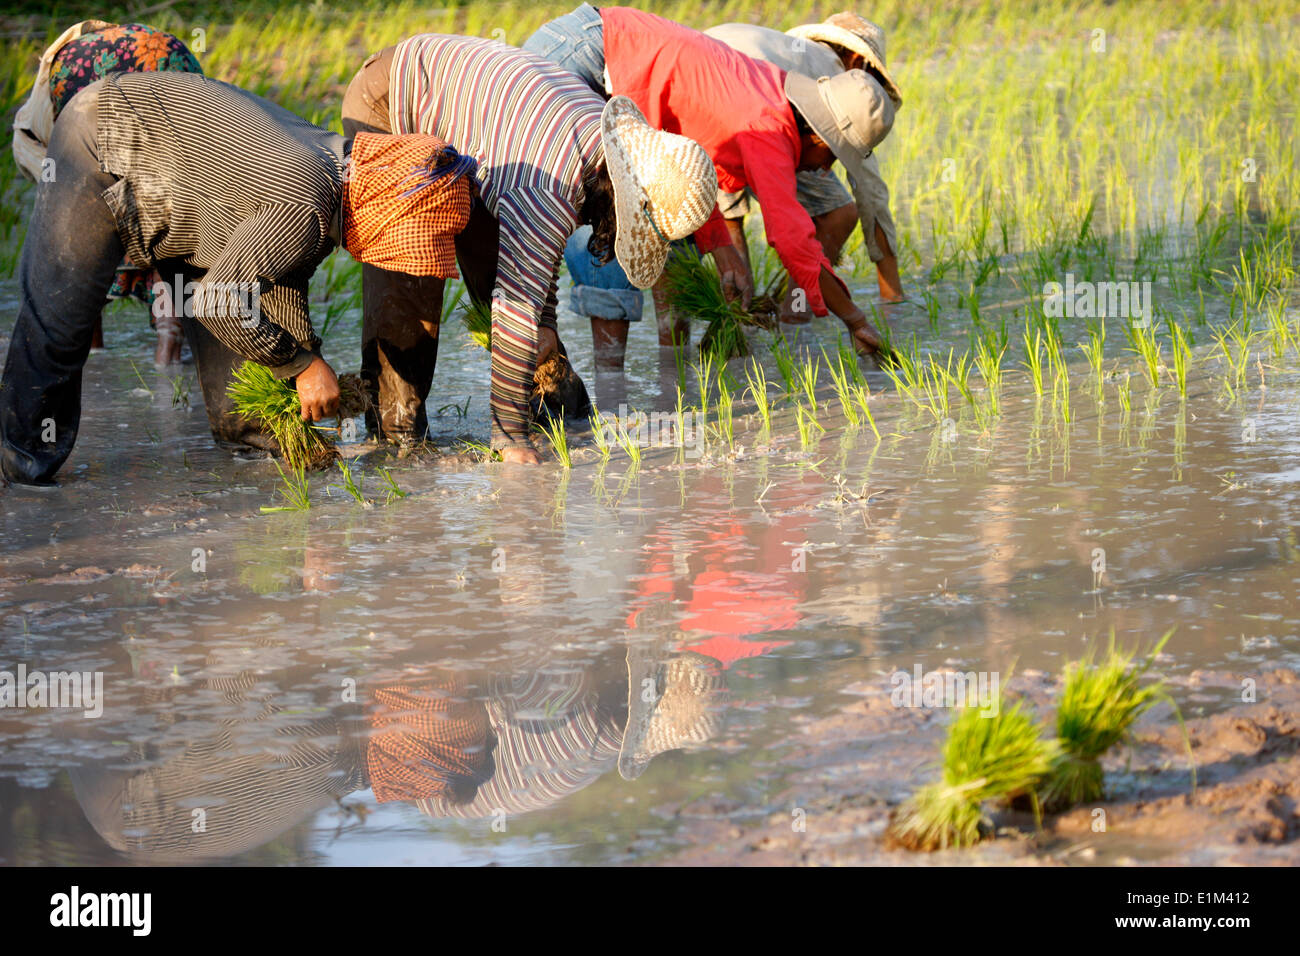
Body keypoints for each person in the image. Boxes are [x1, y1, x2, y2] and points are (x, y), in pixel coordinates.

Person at [0, 70, 474, 486]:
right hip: (105, 137)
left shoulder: (338, 171)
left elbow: (281, 285)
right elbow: (218, 302)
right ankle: (21, 472)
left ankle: (254, 451)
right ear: (384, 214)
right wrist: (302, 367)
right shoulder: (306, 203)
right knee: (59, 322)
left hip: (190, 201)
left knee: (240, 389)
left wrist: (305, 356)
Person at [341, 35, 718, 460]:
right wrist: (509, 438)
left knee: (516, 296)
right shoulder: (552, 185)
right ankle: (396, 440)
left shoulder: (601, 152)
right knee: (414, 273)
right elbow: (516, 305)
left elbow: (539, 254)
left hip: (476, 125)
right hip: (395, 100)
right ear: (616, 196)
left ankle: (560, 414)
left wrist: (548, 324)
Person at [523, 5, 895, 370]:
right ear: (818, 134)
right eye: (832, 156)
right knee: (603, 221)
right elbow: (794, 243)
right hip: (586, 60)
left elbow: (689, 159)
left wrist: (721, 248)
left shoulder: (769, 93)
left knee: (672, 227)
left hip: (590, 46)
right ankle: (602, 389)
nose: (824, 169)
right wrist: (856, 321)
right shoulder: (769, 127)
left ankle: (661, 379)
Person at [11, 20, 205, 366]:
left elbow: (59, 172)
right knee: (168, 216)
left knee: (82, 225)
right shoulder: (146, 39)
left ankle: (92, 351)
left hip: (85, 76)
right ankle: (168, 353)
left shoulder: (64, 64)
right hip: (171, 58)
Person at [706, 12, 905, 313]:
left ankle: (739, 320)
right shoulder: (838, 81)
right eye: (871, 76)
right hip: (755, 116)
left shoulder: (790, 48)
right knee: (839, 214)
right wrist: (893, 297)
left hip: (706, 93)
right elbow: (869, 192)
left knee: (730, 217)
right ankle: (794, 318)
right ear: (857, 59)